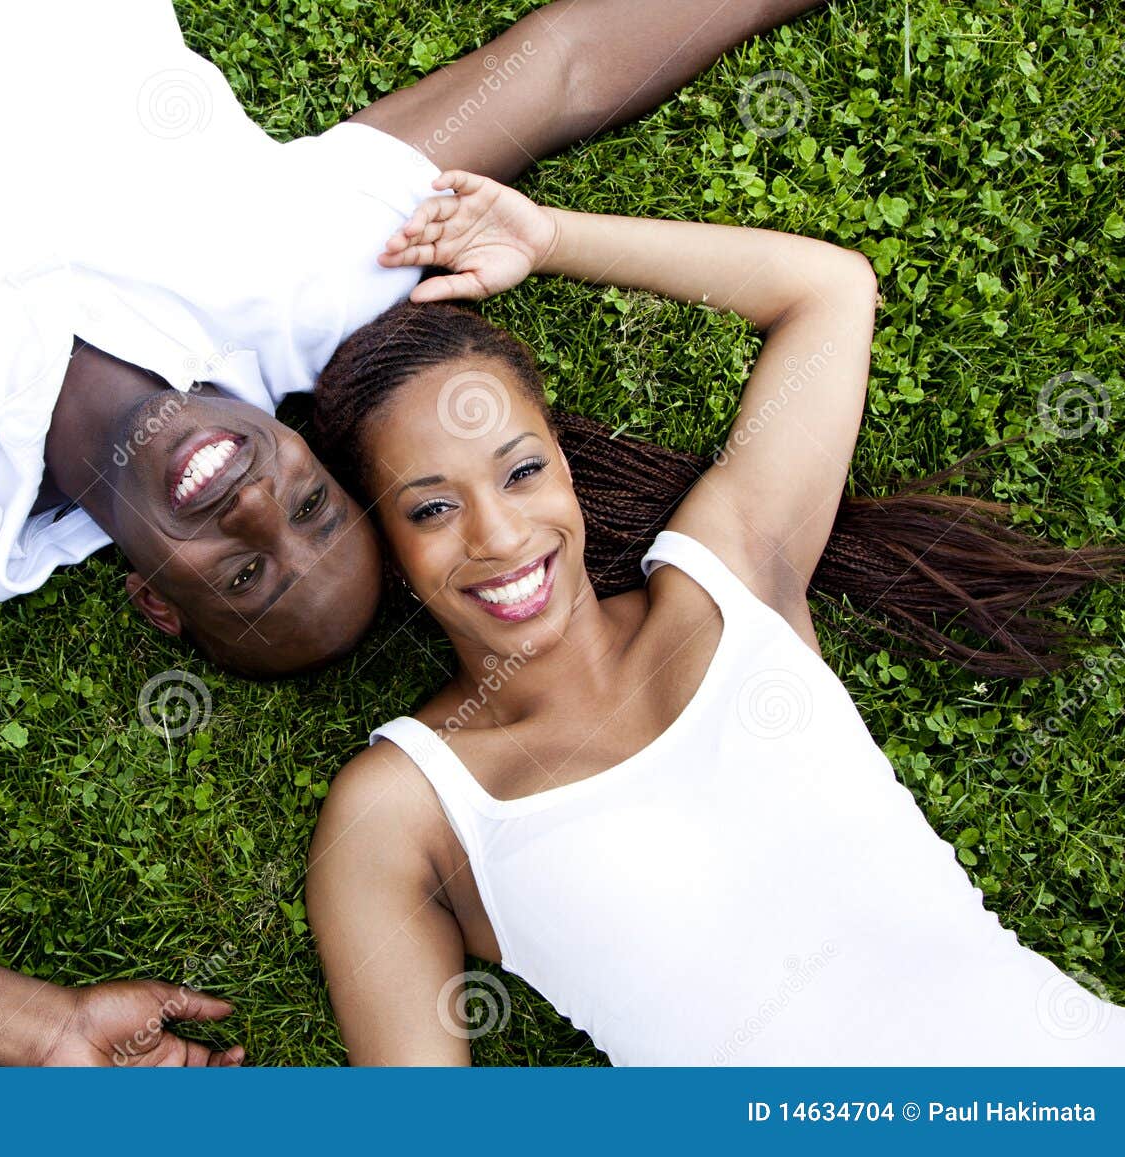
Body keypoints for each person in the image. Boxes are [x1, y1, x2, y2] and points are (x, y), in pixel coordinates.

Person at [0, 0, 834, 1065]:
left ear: (154, 602)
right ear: (316, 450)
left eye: (244, 570)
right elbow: (561, 65)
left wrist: (37, 1028)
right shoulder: (299, 274)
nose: (248, 500)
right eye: (307, 506)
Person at [305, 171, 1125, 1064]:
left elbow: (829, 292)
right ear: (382, 544)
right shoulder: (405, 809)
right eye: (431, 509)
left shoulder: (727, 573)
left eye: (522, 471)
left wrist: (548, 239)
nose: (500, 533)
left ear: (567, 469)